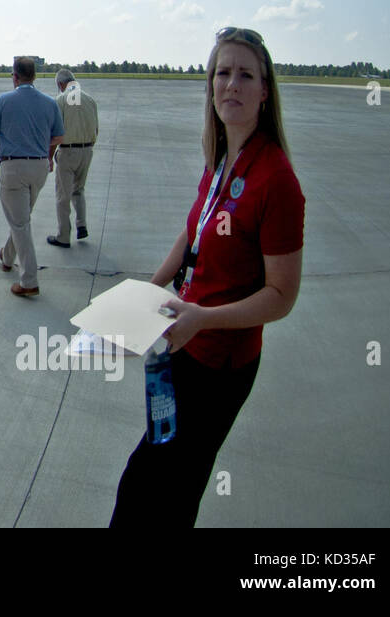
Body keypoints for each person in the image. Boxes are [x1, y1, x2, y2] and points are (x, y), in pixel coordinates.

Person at [110, 27, 304, 527]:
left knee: (158, 490)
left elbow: (281, 296)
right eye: (223, 73)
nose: (231, 84)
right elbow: (191, 233)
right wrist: (149, 291)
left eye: (245, 74)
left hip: (218, 364)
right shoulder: (222, 158)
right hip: (182, 344)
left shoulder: (276, 180)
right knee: (158, 485)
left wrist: (203, 318)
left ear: (265, 90)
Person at [0, 57, 65, 296]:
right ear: (34, 76)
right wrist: (40, 146)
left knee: (20, 224)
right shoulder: (50, 103)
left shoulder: (2, 101)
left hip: (13, 167)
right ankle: (7, 257)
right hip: (39, 167)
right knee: (21, 219)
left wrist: (7, 135)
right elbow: (58, 137)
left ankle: (29, 281)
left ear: (14, 77)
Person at [46, 68, 99, 248]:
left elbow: (55, 134)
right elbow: (96, 129)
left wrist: (49, 157)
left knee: (63, 195)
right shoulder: (90, 99)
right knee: (79, 190)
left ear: (61, 84)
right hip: (87, 150)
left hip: (68, 152)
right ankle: (81, 224)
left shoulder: (60, 101)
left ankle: (63, 235)